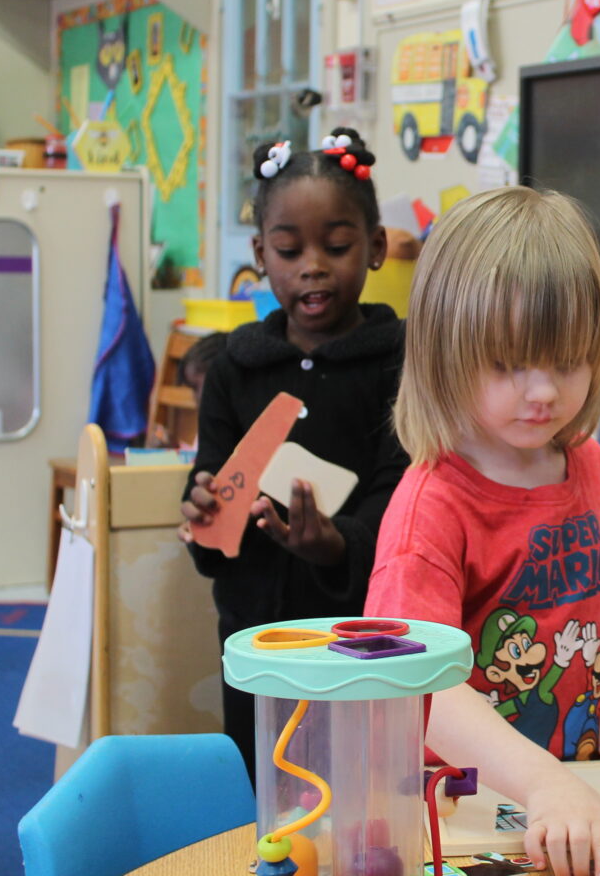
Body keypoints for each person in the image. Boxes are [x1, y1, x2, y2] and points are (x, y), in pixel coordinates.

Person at [365, 186, 600, 876]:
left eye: (567, 361)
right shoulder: (429, 508)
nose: (544, 393)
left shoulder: (585, 464)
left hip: (564, 797)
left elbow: (584, 618)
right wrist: (544, 783)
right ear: (446, 353)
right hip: (453, 815)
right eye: (508, 364)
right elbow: (418, 692)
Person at [179, 128, 408, 780]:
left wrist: (338, 545)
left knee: (361, 792)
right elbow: (216, 484)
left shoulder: (400, 362)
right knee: (267, 795)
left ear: (375, 248)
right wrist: (203, 511)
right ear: (260, 253)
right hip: (257, 637)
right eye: (288, 248)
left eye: (336, 246)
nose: (312, 264)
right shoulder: (235, 370)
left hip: (361, 637)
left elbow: (402, 489)